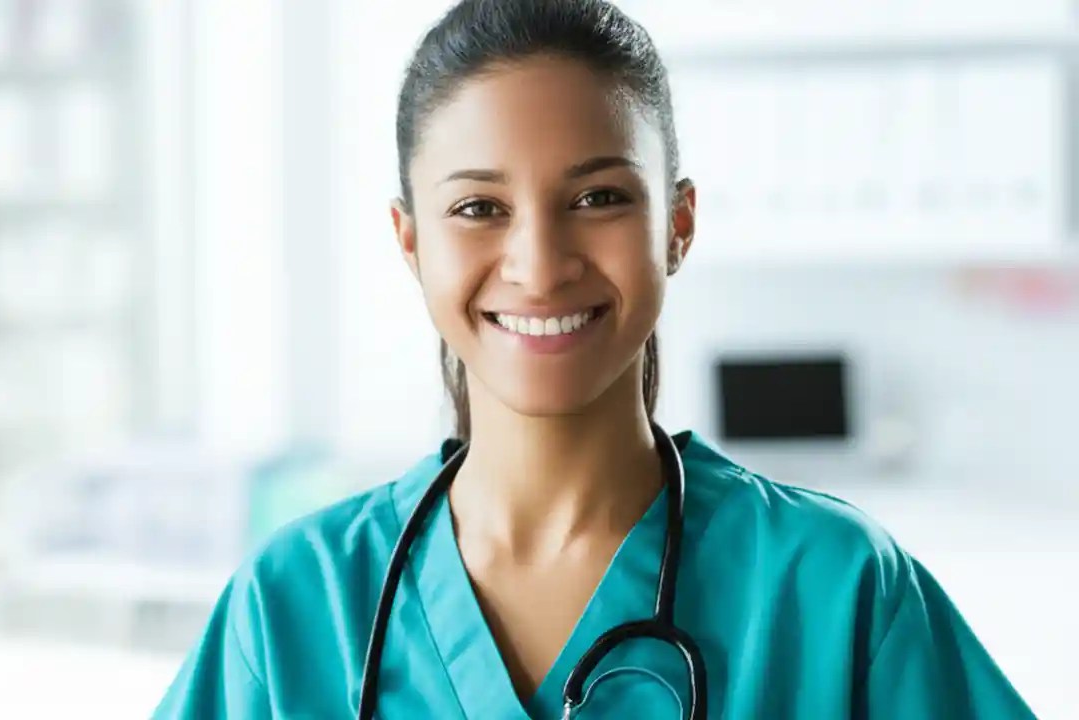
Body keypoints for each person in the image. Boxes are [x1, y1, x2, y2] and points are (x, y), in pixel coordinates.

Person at [153, 1, 1036, 717]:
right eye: (477, 209)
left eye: (598, 197)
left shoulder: (835, 592)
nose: (539, 265)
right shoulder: (292, 612)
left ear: (677, 225)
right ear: (410, 240)